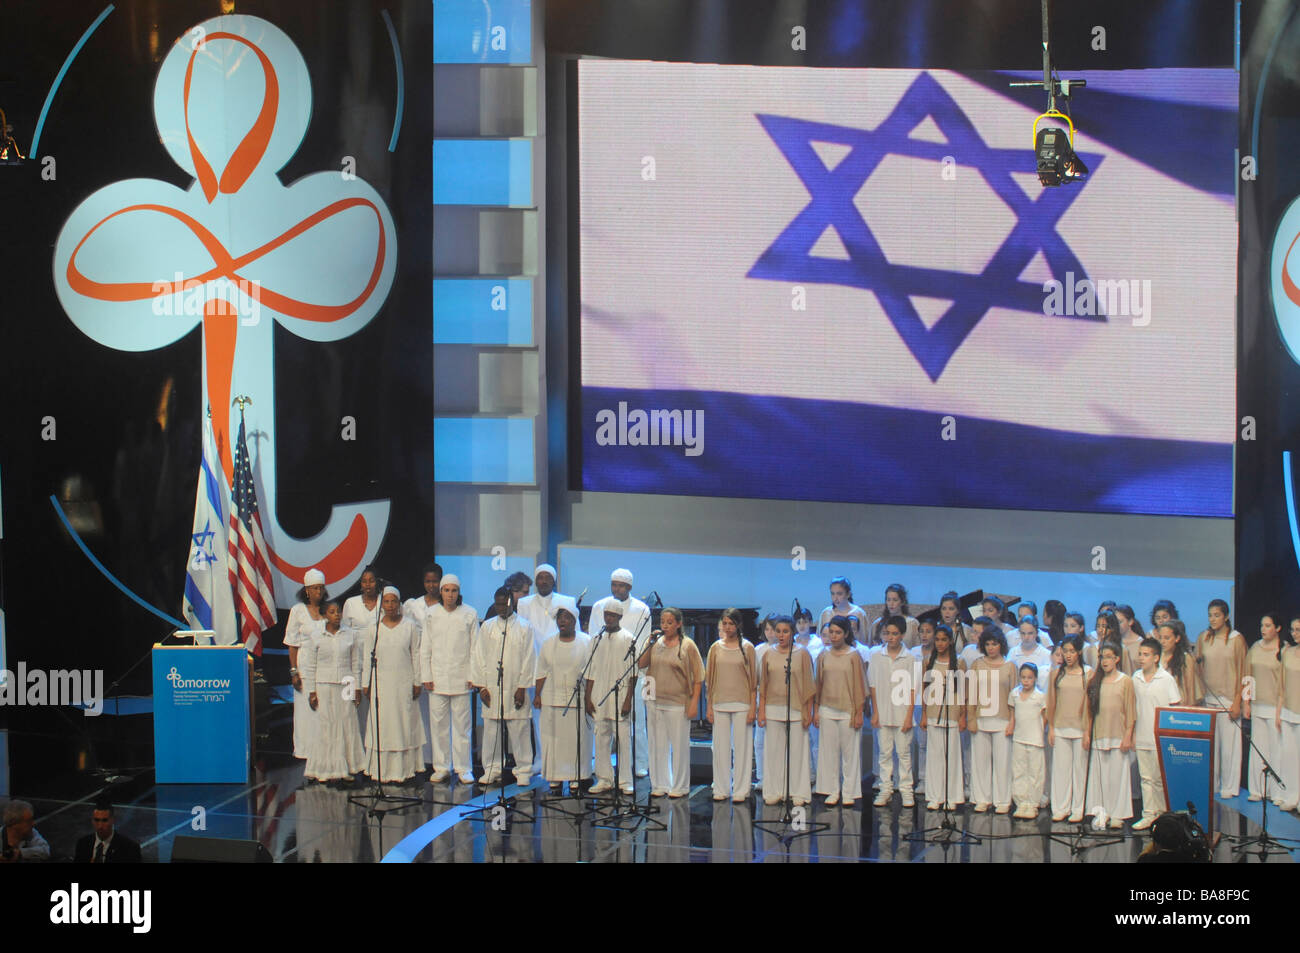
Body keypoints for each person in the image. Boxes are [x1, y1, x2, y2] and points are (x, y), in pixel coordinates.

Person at [591, 569, 652, 778]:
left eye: (621, 585)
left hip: (632, 674)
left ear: (629, 587)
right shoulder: (600, 606)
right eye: (614, 584)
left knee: (636, 721)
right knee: (603, 724)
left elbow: (644, 644)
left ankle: (640, 763)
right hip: (604, 674)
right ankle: (602, 769)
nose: (617, 589)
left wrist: (637, 674)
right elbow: (593, 639)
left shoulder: (641, 609)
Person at [517, 564, 579, 770]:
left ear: (554, 581)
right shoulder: (524, 603)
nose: (543, 581)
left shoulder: (567, 601)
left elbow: (575, 635)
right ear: (535, 581)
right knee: (538, 717)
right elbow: (522, 637)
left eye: (547, 578)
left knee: (564, 716)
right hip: (534, 666)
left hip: (562, 666)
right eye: (540, 578)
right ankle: (542, 759)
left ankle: (566, 759)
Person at [474, 586, 537, 787]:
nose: (501, 607)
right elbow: (479, 657)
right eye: (497, 604)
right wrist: (481, 687)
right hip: (492, 686)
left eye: (504, 603)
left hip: (515, 686)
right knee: (492, 730)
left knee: (519, 728)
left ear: (512, 602)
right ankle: (492, 769)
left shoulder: (525, 627)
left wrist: (522, 687)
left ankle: (524, 769)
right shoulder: (487, 627)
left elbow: (529, 658)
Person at [361, 587, 425, 784]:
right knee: (383, 725)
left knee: (403, 724)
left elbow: (416, 654)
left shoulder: (410, 626)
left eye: (393, 602)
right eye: (386, 602)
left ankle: (403, 770)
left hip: (403, 684)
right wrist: (366, 682)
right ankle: (381, 770)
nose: (390, 606)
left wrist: (417, 681)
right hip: (381, 684)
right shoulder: (374, 628)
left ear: (399, 604)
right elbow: (367, 657)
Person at [639, 607, 704, 798]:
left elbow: (699, 676)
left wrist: (693, 703)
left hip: (678, 702)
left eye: (669, 622)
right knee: (657, 744)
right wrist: (650, 643)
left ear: (678, 624)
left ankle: (680, 785)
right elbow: (641, 664)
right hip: (654, 700)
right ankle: (660, 784)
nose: (665, 625)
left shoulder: (687, 645)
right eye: (663, 622)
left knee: (678, 745)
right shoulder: (656, 643)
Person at [419, 574, 478, 784]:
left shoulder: (469, 614)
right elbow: (425, 647)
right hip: (437, 678)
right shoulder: (431, 614)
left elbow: (475, 649)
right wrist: (426, 675)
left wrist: (473, 675)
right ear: (441, 592)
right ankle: (442, 767)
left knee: (463, 726)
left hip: (462, 679)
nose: (450, 595)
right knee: (439, 726)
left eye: (454, 591)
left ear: (458, 592)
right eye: (446, 590)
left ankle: (463, 768)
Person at [301, 600, 364, 783]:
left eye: (338, 611)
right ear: (324, 615)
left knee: (346, 722)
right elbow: (311, 666)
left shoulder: (350, 635)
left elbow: (355, 664)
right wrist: (312, 691)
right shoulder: (316, 636)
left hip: (345, 683)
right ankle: (325, 769)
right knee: (327, 725)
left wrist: (356, 688)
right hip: (324, 685)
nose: (337, 615)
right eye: (332, 611)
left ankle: (347, 767)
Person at [757, 615, 816, 806]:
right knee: (773, 751)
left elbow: (808, 684)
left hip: (797, 708)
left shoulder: (803, 654)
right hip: (773, 707)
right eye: (778, 631)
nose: (781, 635)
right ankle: (775, 790)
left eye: (785, 631)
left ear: (792, 633)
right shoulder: (768, 654)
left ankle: (799, 791)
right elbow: (763, 685)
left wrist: (808, 710)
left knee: (798, 751)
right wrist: (762, 710)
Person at [534, 604, 593, 791]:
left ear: (574, 620)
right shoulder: (549, 642)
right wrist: (537, 695)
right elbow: (541, 670)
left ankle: (576, 775)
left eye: (567, 617)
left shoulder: (586, 641)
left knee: (576, 740)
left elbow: (592, 673)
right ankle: (555, 776)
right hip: (552, 699)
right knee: (554, 740)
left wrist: (589, 697)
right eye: (560, 617)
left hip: (578, 699)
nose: (563, 621)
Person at [1195, 598, 1247, 798]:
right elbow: (1198, 667)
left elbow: (1243, 671)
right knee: (1212, 747)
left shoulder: (1236, 639)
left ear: (1226, 616)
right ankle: (1214, 784)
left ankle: (1230, 786)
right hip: (1209, 699)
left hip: (1228, 699)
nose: (1213, 619)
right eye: (1210, 615)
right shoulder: (1204, 637)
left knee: (1229, 748)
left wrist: (1237, 701)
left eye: (1217, 615)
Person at [705, 607, 757, 803]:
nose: (727, 627)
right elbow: (709, 680)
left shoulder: (748, 648)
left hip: (742, 703)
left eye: (731, 623)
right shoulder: (715, 648)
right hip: (720, 702)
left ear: (738, 625)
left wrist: (753, 707)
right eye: (724, 623)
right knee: (720, 748)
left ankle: (742, 789)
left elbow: (753, 681)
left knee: (742, 748)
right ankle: (721, 787)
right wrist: (709, 706)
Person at [814, 616, 866, 807]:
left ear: (845, 634)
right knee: (829, 753)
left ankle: (849, 792)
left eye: (838, 632)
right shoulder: (823, 655)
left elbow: (860, 686)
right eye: (831, 632)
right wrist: (816, 710)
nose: (834, 636)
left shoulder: (853, 656)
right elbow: (818, 684)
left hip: (848, 710)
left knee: (850, 753)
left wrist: (858, 711)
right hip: (827, 709)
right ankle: (832, 790)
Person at [868, 616, 918, 808]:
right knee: (884, 753)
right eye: (887, 633)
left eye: (895, 634)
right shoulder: (876, 656)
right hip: (883, 713)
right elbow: (873, 686)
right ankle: (885, 788)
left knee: (904, 753)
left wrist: (908, 716)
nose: (890, 637)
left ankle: (906, 790)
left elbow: (913, 688)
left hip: (902, 713)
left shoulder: (910, 657)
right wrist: (875, 712)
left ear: (902, 635)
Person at [586, 602, 636, 794]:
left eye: (612, 616)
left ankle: (625, 781)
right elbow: (590, 670)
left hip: (620, 696)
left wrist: (628, 699)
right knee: (601, 739)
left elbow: (633, 673)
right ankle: (604, 779)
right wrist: (588, 696)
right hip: (599, 696)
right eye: (606, 615)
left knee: (623, 740)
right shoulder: (596, 639)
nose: (608, 619)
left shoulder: (628, 638)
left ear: (619, 617)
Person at [1131, 637, 1181, 830]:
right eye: (1140, 654)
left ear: (1156, 657)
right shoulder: (1136, 678)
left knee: (1159, 778)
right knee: (1146, 778)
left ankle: (1161, 815)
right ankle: (1148, 814)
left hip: (1160, 737)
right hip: (1142, 735)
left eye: (1146, 655)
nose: (1141, 658)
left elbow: (1175, 708)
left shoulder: (1166, 679)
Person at [1085, 642, 1136, 829]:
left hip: (1118, 734)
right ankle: (1101, 811)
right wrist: (1087, 733)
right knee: (1100, 776)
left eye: (1108, 657)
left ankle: (1118, 814)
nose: (1104, 661)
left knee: (1118, 776)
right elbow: (1089, 712)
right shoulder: (1095, 682)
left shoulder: (1125, 681)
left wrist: (1128, 735)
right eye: (1101, 657)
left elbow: (1130, 710)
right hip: (1100, 734)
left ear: (1116, 659)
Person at [967, 626, 1016, 814]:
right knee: (980, 761)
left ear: (1001, 645)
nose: (991, 648)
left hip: (1002, 719)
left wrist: (1012, 721)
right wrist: (971, 718)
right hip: (981, 719)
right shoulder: (977, 665)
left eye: (994, 644)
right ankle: (982, 799)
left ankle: (1003, 800)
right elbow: (971, 694)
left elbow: (1013, 697)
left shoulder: (1010, 666)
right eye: (987, 644)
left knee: (1003, 762)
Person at [919, 624, 965, 810]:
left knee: (951, 756)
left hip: (951, 713)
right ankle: (935, 796)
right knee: (935, 756)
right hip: (932, 711)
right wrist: (923, 713)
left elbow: (963, 690)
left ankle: (951, 797)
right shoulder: (928, 660)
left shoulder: (959, 663)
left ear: (950, 641)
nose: (940, 643)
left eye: (943, 639)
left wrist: (962, 715)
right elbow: (925, 689)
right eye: (937, 639)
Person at [285, 568, 327, 760]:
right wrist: (294, 672)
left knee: (323, 711)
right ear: (307, 590)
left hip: (325, 668)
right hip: (304, 668)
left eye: (321, 588)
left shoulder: (329, 611)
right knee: (305, 712)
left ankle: (323, 753)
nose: (318, 591)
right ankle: (306, 754)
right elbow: (292, 644)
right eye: (315, 588)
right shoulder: (298, 611)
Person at [1047, 635, 1091, 823]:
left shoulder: (1088, 673)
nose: (1068, 655)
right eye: (1065, 651)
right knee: (1061, 770)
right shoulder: (1056, 674)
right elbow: (1051, 702)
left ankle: (1078, 809)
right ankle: (1060, 807)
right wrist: (1051, 727)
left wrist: (1087, 731)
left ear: (1079, 652)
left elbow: (1090, 705)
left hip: (1080, 728)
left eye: (1072, 651)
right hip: (1061, 727)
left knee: (1079, 770)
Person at [1245, 614, 1286, 803]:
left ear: (1277, 628)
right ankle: (1257, 789)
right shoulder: (1255, 647)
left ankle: (1277, 792)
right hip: (1257, 705)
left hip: (1275, 707)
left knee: (1276, 750)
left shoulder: (1285, 649)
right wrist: (1246, 702)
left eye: (1268, 625)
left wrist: (1280, 710)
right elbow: (1248, 676)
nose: (1263, 629)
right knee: (1258, 749)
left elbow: (1285, 683)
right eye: (1262, 625)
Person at [1008, 663, 1047, 819]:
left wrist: (1041, 733)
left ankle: (1032, 803)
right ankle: (1021, 803)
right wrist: (1011, 727)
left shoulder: (1040, 696)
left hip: (1035, 739)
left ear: (1035, 678)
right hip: (1019, 738)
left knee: (1035, 773)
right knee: (1019, 771)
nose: (1026, 681)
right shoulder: (1014, 694)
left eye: (1029, 678)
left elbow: (1045, 718)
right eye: (1023, 677)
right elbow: (1013, 715)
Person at [753, 614, 780, 790]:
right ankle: (762, 777)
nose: (770, 633)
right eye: (767, 629)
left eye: (773, 629)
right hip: (760, 698)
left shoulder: (785, 650)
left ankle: (777, 778)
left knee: (776, 742)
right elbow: (754, 676)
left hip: (777, 700)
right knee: (760, 741)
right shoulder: (758, 650)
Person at [73, 798, 142, 863]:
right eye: (97, 820)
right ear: (92, 821)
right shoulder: (83, 844)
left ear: (112, 820)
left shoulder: (130, 849)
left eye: (104, 820)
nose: (100, 826)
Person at [1278, 618, 1300, 813]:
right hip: (1288, 712)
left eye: (1298, 630)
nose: (1295, 633)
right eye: (1292, 630)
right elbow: (1282, 687)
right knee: (1290, 757)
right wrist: (1279, 711)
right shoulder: (1287, 653)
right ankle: (1291, 796)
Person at [1155, 620, 1202, 708]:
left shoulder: (1185, 658)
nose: (1162, 641)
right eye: (1160, 638)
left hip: (1178, 707)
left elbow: (1190, 689)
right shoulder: (1156, 656)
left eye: (1167, 638)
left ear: (1177, 638)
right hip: (1158, 704)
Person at [819, 576, 870, 645]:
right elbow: (820, 639)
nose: (835, 598)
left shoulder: (859, 613)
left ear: (848, 594)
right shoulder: (826, 613)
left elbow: (865, 640)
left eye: (839, 594)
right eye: (832, 594)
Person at [1007, 615, 1053, 691]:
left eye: (1030, 633)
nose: (1026, 637)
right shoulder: (1013, 653)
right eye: (1023, 633)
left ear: (1037, 633)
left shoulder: (1046, 654)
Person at [1114, 605, 1147, 675]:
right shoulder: (1112, 642)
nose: (1116, 625)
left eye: (1120, 622)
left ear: (1130, 621)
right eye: (1114, 622)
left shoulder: (1142, 643)